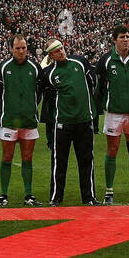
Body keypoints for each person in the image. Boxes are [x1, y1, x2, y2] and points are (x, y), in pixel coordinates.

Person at [94, 23, 129, 205]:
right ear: (114, 40)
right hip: (114, 113)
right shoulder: (106, 60)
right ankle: (109, 191)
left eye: (128, 37)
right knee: (112, 150)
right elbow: (99, 87)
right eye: (122, 37)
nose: (126, 40)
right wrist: (103, 105)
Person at [42, 39, 99, 206]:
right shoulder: (49, 73)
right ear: (51, 55)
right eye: (57, 51)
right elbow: (49, 99)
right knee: (59, 162)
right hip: (63, 122)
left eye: (62, 48)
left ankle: (89, 197)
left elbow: (92, 83)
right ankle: (56, 197)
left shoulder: (80, 62)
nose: (61, 52)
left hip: (84, 120)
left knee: (87, 161)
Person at [0, 34, 44, 207]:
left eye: (24, 47)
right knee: (7, 158)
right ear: (11, 49)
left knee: (27, 158)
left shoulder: (35, 68)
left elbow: (39, 92)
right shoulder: (2, 68)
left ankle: (28, 194)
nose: (21, 51)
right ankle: (3, 195)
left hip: (29, 121)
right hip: (9, 121)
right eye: (18, 48)